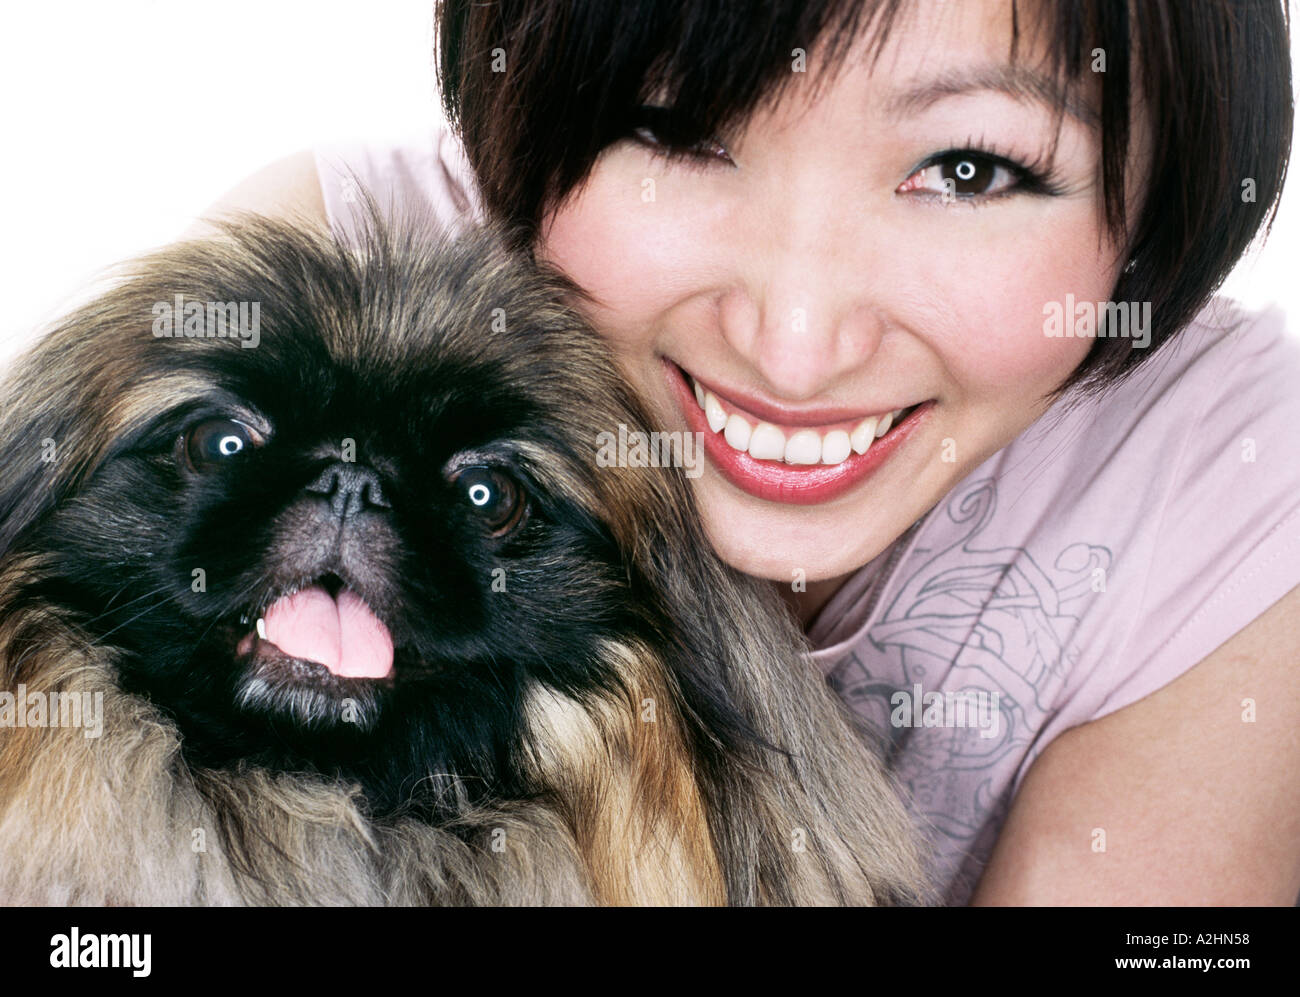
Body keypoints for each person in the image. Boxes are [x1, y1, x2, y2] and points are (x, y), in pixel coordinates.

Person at [192, 0, 1300, 905]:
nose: (796, 346)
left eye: (968, 170)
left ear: (1163, 189)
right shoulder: (322, 293)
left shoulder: (1231, 478)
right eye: (676, 131)